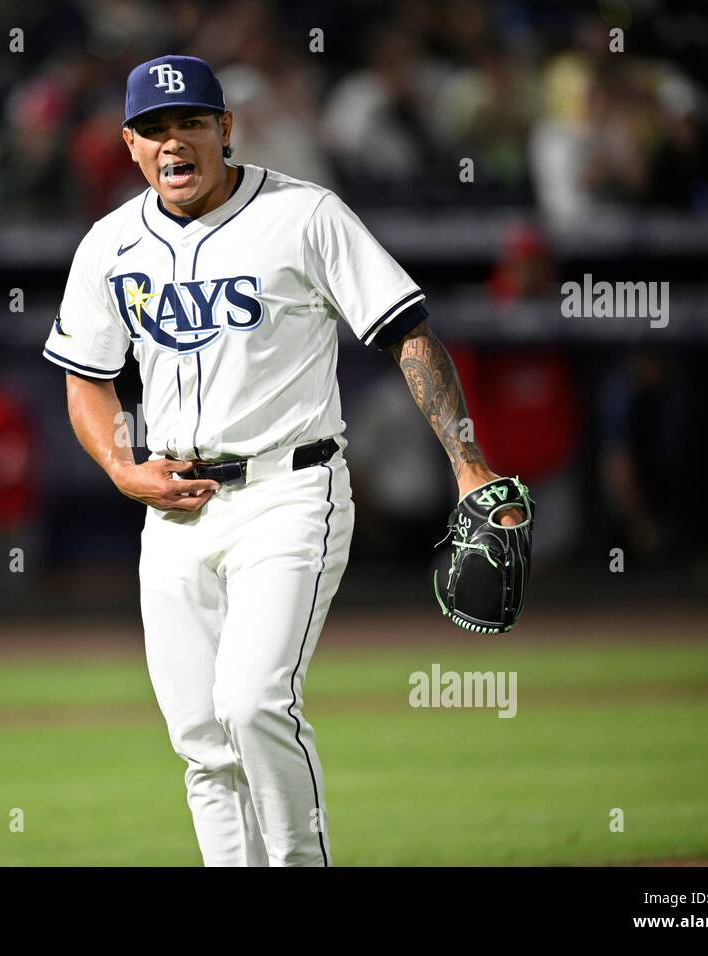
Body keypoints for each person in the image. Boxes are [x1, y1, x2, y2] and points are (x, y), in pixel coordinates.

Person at [43, 55, 522, 867]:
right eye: (153, 129)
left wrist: (467, 462)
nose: (173, 143)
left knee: (255, 702)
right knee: (202, 736)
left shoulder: (305, 215)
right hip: (174, 507)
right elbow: (86, 379)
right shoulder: (110, 244)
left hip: (291, 490)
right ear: (129, 144)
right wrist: (122, 468)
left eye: (190, 122)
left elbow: (407, 331)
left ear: (225, 129)